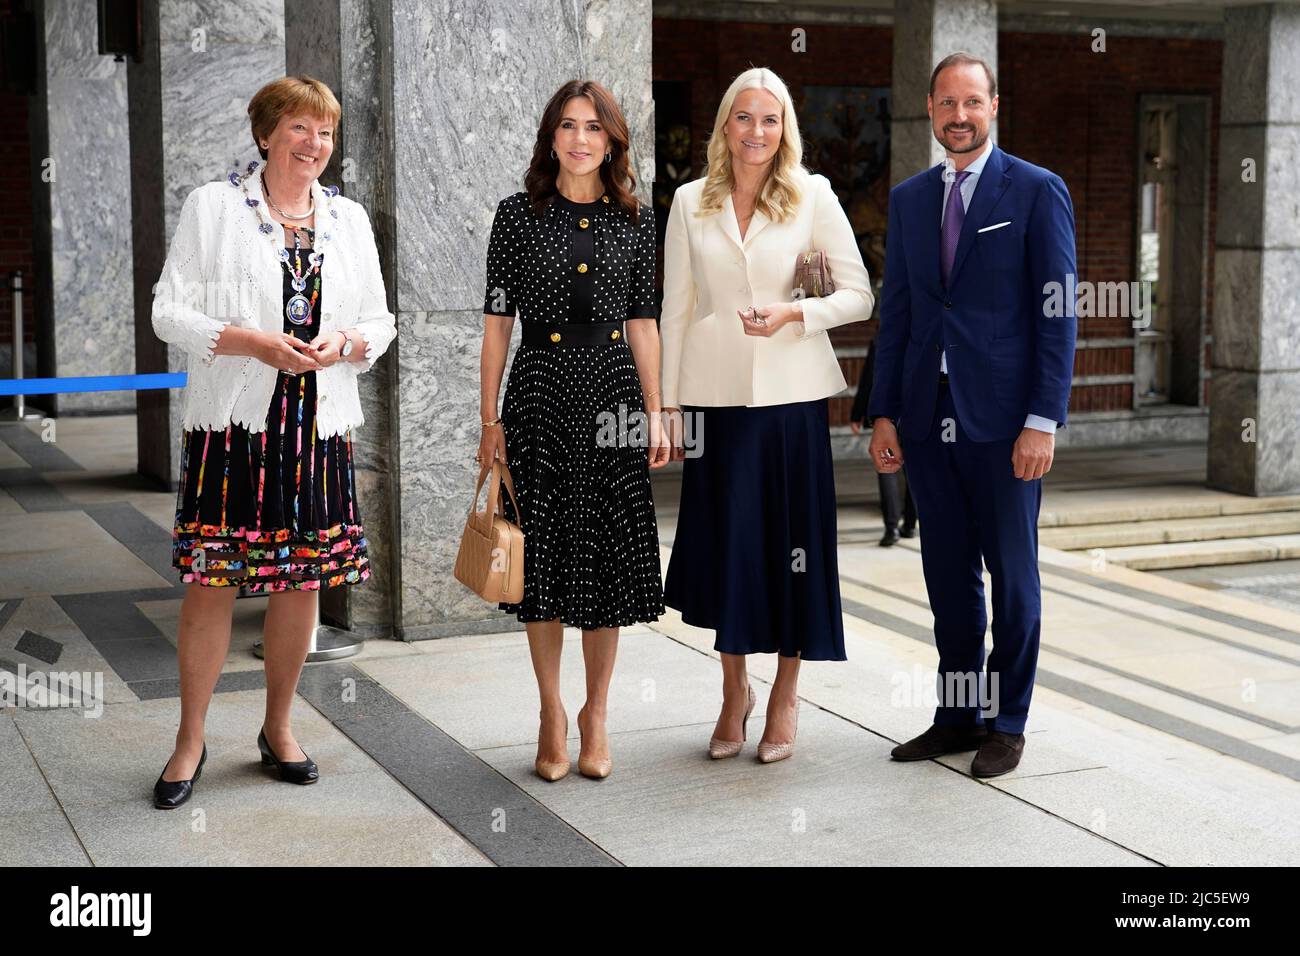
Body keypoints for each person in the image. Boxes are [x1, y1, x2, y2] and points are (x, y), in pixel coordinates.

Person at [149, 75, 396, 808]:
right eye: (299, 129)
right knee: (211, 586)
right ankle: (189, 740)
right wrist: (251, 342)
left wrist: (345, 341)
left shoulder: (347, 219)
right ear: (265, 135)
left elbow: (381, 323)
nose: (314, 145)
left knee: (301, 585)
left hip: (317, 428)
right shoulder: (214, 207)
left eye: (324, 133)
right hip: (235, 426)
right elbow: (168, 312)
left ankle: (279, 729)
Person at [868, 52, 1077, 777]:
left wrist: (1043, 421)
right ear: (929, 110)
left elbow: (1059, 317)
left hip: (1007, 426)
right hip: (928, 420)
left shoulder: (1038, 191)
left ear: (994, 106)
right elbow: (898, 315)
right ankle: (958, 717)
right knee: (948, 580)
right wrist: (884, 413)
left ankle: (1007, 721)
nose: (960, 116)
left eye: (973, 103)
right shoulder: (911, 198)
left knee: (1013, 580)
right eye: (947, 104)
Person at [660, 67, 873, 763]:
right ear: (726, 125)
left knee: (792, 555)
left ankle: (784, 696)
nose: (757, 131)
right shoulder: (691, 201)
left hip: (791, 405)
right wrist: (664, 405)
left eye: (771, 119)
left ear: (786, 130)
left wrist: (795, 313)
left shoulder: (812, 196)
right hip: (717, 404)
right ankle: (733, 692)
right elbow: (677, 308)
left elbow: (858, 295)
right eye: (744, 117)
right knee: (729, 553)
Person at [477, 80, 669, 782]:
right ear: (550, 137)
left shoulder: (636, 219)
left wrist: (658, 408)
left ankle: (597, 713)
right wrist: (489, 417)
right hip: (539, 395)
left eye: (594, 127)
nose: (580, 139)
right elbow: (498, 322)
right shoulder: (517, 216)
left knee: (607, 561)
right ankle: (550, 711)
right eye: (567, 126)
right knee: (545, 561)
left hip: (613, 395)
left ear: (612, 140)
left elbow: (644, 321)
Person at [849, 323, 916, 546]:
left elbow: (870, 379)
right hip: (914, 412)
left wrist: (857, 414)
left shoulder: (884, 340)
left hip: (890, 412)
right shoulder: (925, 334)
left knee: (887, 468)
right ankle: (908, 525)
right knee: (913, 471)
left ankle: (892, 527)